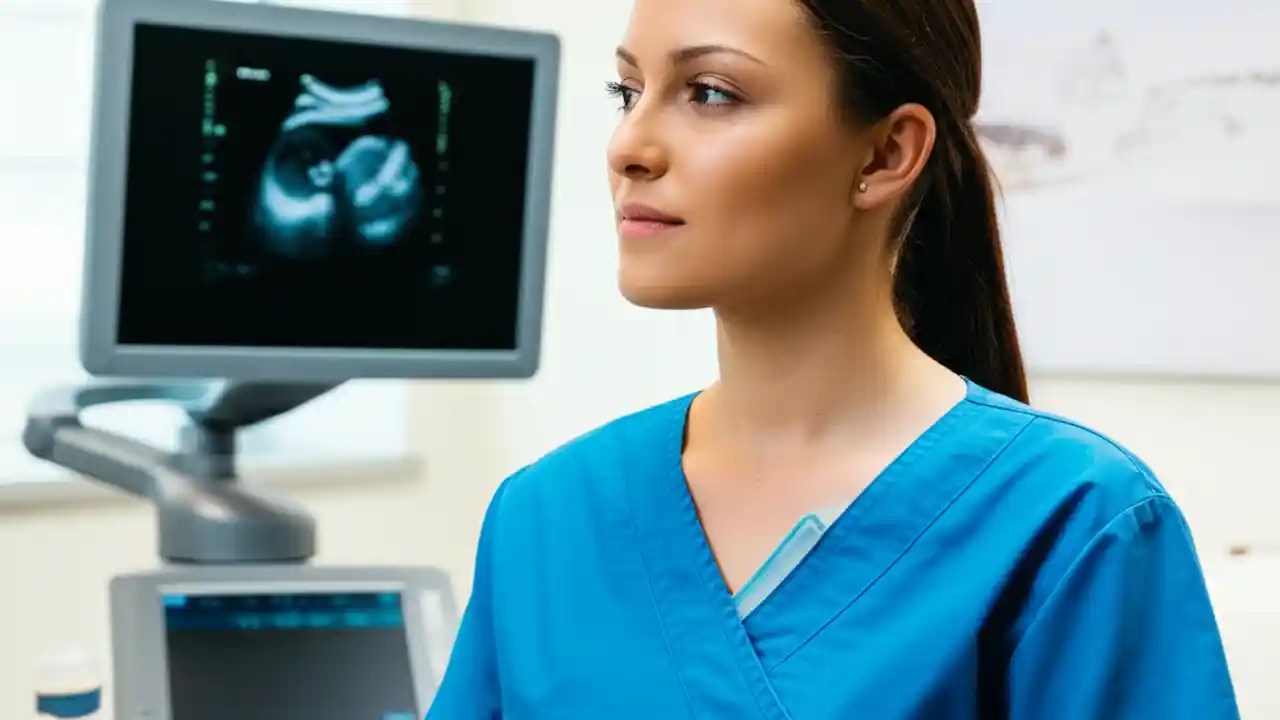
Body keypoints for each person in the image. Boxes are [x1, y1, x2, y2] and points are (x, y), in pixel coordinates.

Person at [427, 0, 1241, 717]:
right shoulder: (546, 518)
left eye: (711, 93)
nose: (630, 147)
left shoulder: (1071, 522)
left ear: (886, 154)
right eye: (628, 92)